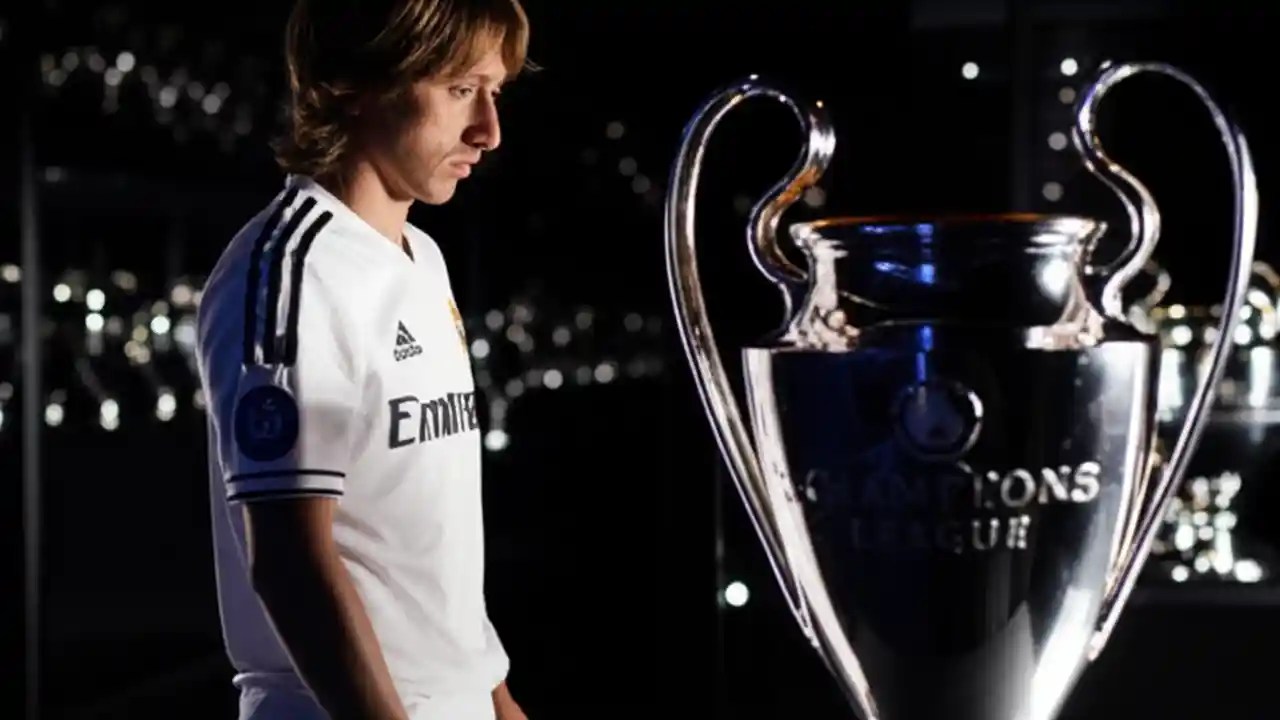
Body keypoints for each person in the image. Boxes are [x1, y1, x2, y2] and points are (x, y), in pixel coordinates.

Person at [194, 1, 533, 718]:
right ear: (353, 84)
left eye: (494, 92)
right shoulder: (293, 271)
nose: (489, 130)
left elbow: (425, 550)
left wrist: (496, 699)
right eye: (460, 89)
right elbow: (290, 562)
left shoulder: (423, 259)